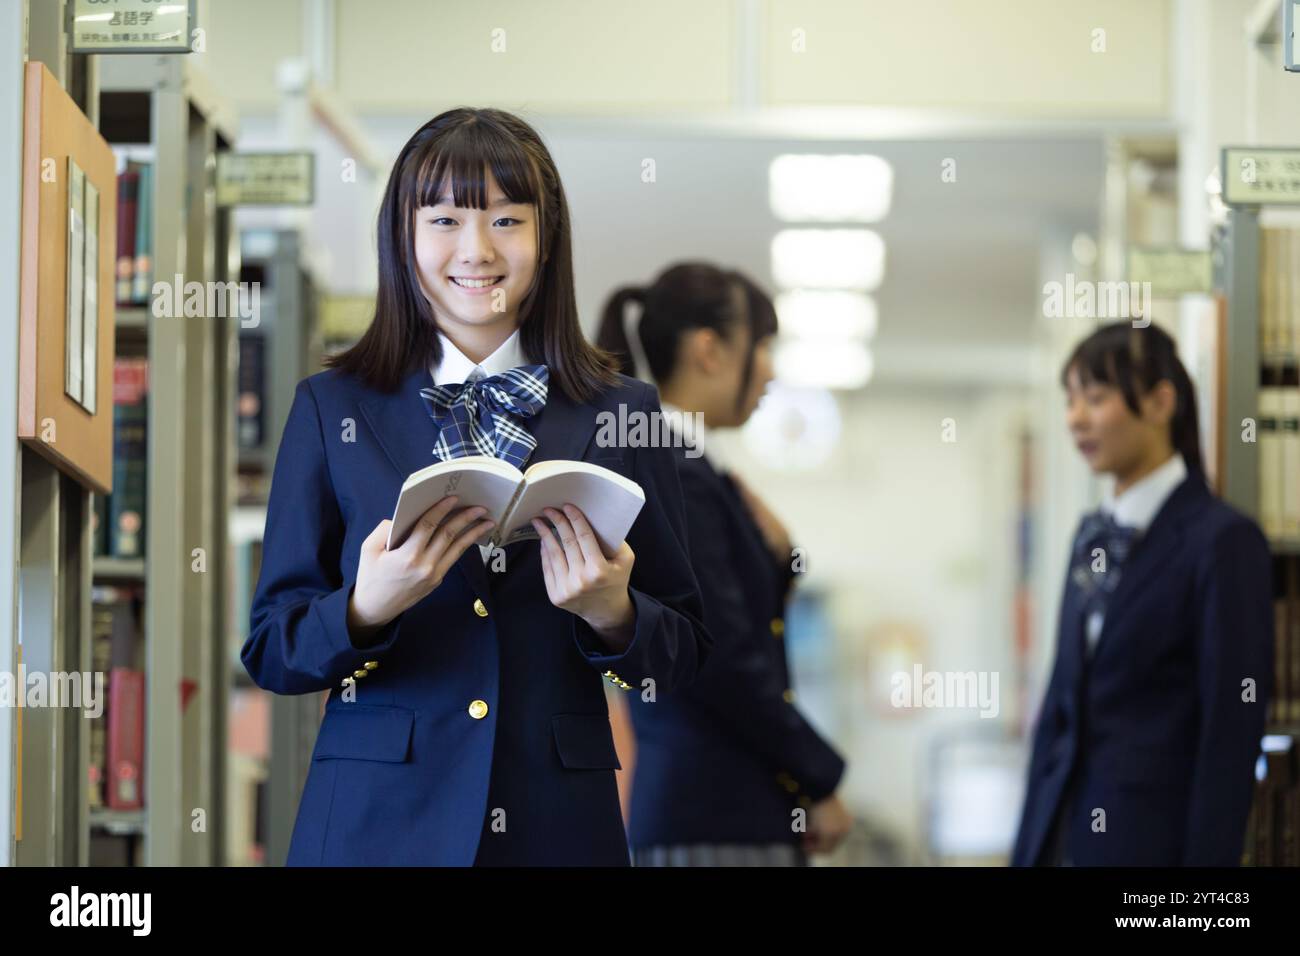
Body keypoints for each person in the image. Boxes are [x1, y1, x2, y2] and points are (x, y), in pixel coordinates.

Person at [243, 108, 711, 866]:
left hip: (555, 823)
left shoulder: (624, 413)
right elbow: (272, 648)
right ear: (405, 233)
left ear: (546, 236)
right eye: (446, 219)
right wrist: (366, 606)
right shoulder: (332, 407)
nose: (477, 249)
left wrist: (614, 612)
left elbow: (684, 652)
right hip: (375, 822)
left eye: (505, 219)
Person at [596, 263, 851, 865]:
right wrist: (819, 776)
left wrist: (781, 558)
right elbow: (725, 658)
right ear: (709, 350)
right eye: (762, 347)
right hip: (712, 814)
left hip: (719, 811)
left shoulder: (694, 468)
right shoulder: (677, 472)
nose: (769, 370)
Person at [1012, 321, 1273, 866]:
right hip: (1063, 841)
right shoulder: (1090, 535)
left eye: (1096, 398)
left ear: (1160, 402)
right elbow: (1060, 715)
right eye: (1071, 400)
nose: (1075, 419)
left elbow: (1230, 734)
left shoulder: (1222, 541)